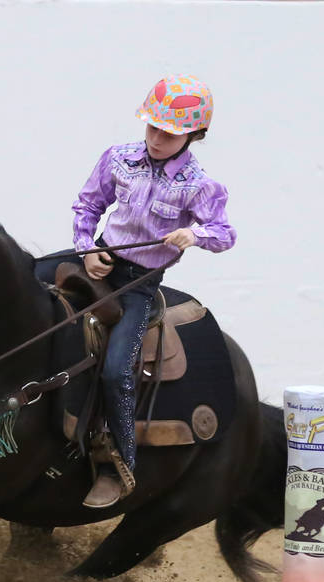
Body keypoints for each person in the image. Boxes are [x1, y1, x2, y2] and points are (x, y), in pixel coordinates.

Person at [70, 74, 236, 509]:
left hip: (138, 286)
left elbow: (224, 233)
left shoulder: (199, 185)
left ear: (194, 135)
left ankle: (117, 464)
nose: (157, 138)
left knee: (115, 371)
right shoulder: (118, 158)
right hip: (100, 264)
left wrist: (194, 235)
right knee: (28, 285)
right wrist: (87, 249)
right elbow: (88, 205)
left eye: (169, 132)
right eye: (152, 128)